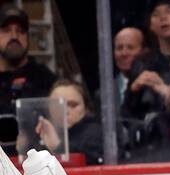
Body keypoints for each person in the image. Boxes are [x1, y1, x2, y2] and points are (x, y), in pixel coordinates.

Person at [0, 4, 55, 153]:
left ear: (28, 36)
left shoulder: (47, 79)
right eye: (6, 30)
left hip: (36, 163)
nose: (14, 36)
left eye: (21, 31)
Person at [34, 80, 104, 164]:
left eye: (73, 105)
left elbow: (94, 162)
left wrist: (58, 146)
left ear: (86, 107)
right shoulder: (40, 134)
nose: (65, 111)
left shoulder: (95, 133)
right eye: (58, 105)